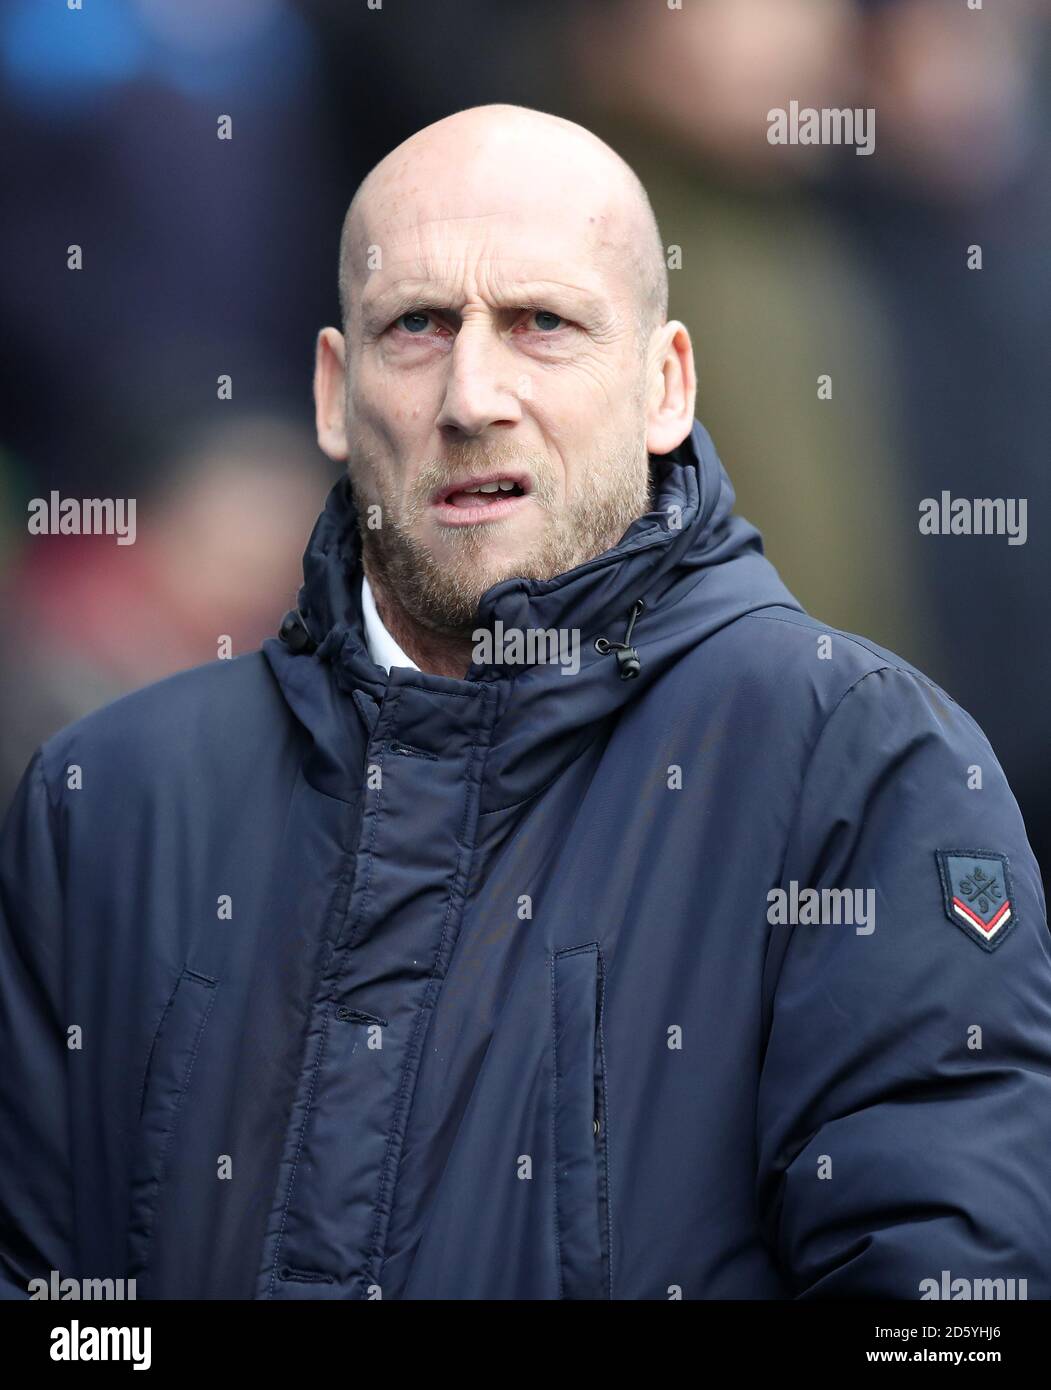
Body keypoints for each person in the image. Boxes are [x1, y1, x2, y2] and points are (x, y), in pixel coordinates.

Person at [1, 104, 1049, 1301]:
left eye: (542, 323)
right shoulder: (105, 802)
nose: (472, 394)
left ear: (665, 387)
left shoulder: (864, 772)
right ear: (334, 395)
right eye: (418, 327)